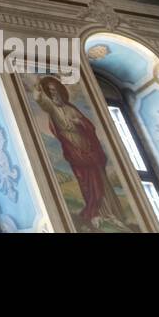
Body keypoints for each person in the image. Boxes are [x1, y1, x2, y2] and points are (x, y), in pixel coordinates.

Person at [33, 76, 123, 230]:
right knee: (85, 181)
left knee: (100, 178)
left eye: (55, 90)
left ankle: (109, 213)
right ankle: (94, 212)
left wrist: (80, 123)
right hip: (74, 150)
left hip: (88, 147)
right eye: (50, 91)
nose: (53, 94)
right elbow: (42, 102)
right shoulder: (53, 110)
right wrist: (37, 90)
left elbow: (89, 127)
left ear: (61, 92)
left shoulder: (71, 109)